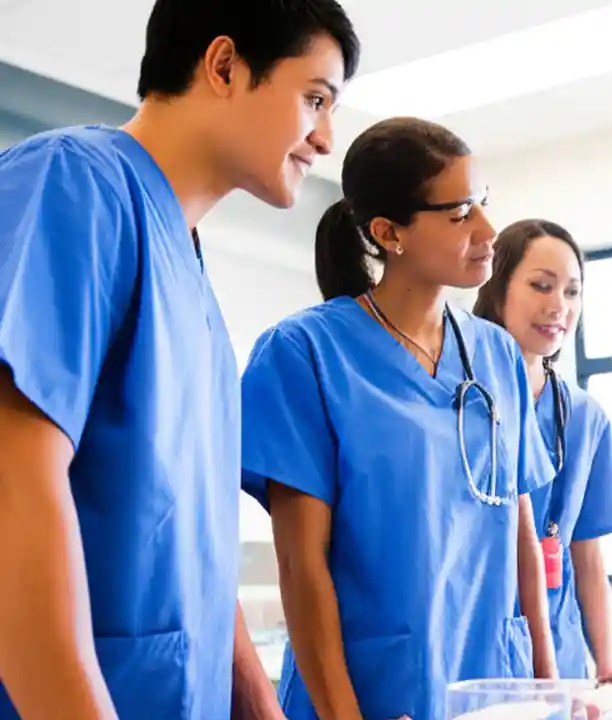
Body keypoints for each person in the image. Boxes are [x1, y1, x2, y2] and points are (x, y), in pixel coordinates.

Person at [0, 1, 359, 718]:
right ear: (224, 66)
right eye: (315, 99)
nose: (325, 139)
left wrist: (260, 707)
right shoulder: (72, 183)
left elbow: (196, 552)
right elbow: (11, 477)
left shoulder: (190, 280)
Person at [239, 117, 558, 720]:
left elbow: (520, 528)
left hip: (491, 683)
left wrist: (547, 688)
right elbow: (301, 568)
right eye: (460, 214)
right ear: (389, 233)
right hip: (371, 689)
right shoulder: (305, 354)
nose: (488, 230)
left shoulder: (496, 354)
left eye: (483, 203)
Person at [473, 220, 612, 682]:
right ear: (497, 288)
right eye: (541, 286)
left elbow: (587, 553)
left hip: (561, 651)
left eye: (572, 292)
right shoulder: (463, 399)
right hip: (477, 637)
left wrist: (606, 662)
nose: (558, 306)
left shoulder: (584, 416)